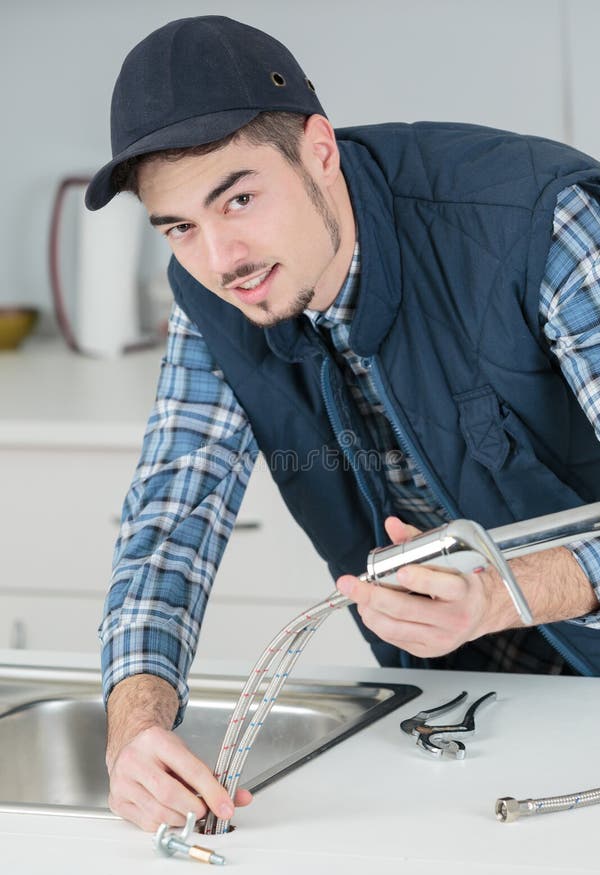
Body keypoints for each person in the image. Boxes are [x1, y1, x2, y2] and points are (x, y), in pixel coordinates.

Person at [86, 15, 600, 832]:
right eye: (179, 227)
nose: (221, 258)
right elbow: (172, 515)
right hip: (480, 708)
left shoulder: (536, 221)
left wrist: (499, 593)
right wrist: (134, 725)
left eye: (240, 198)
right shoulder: (215, 294)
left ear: (318, 151)